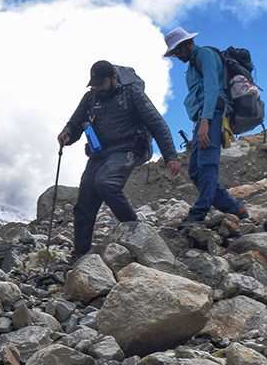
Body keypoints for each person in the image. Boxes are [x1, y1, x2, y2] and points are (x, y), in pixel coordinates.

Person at [57, 60, 181, 260]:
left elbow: (157, 124)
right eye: (95, 83)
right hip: (99, 152)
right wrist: (67, 134)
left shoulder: (132, 94)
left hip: (128, 147)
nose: (98, 87)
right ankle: (80, 253)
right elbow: (75, 123)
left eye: (102, 82)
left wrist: (170, 156)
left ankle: (134, 228)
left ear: (114, 78)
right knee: (86, 197)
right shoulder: (91, 97)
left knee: (106, 182)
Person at [162, 27, 246, 223]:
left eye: (176, 51)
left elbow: (211, 88)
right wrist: (200, 127)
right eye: (173, 53)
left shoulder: (205, 54)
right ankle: (236, 210)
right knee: (195, 171)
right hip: (203, 118)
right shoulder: (192, 63)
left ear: (187, 44)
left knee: (207, 165)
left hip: (212, 115)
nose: (175, 56)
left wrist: (206, 122)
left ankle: (199, 213)